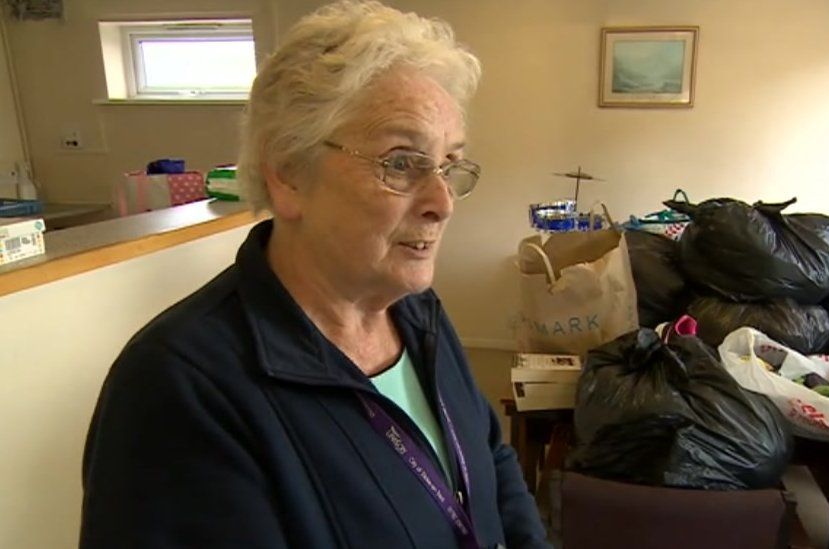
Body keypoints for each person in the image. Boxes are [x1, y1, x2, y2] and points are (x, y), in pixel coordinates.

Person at [79, 2, 549, 548]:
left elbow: (488, 461)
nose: (442, 202)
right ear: (287, 172)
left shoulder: (417, 313)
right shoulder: (179, 388)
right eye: (401, 162)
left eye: (449, 165)